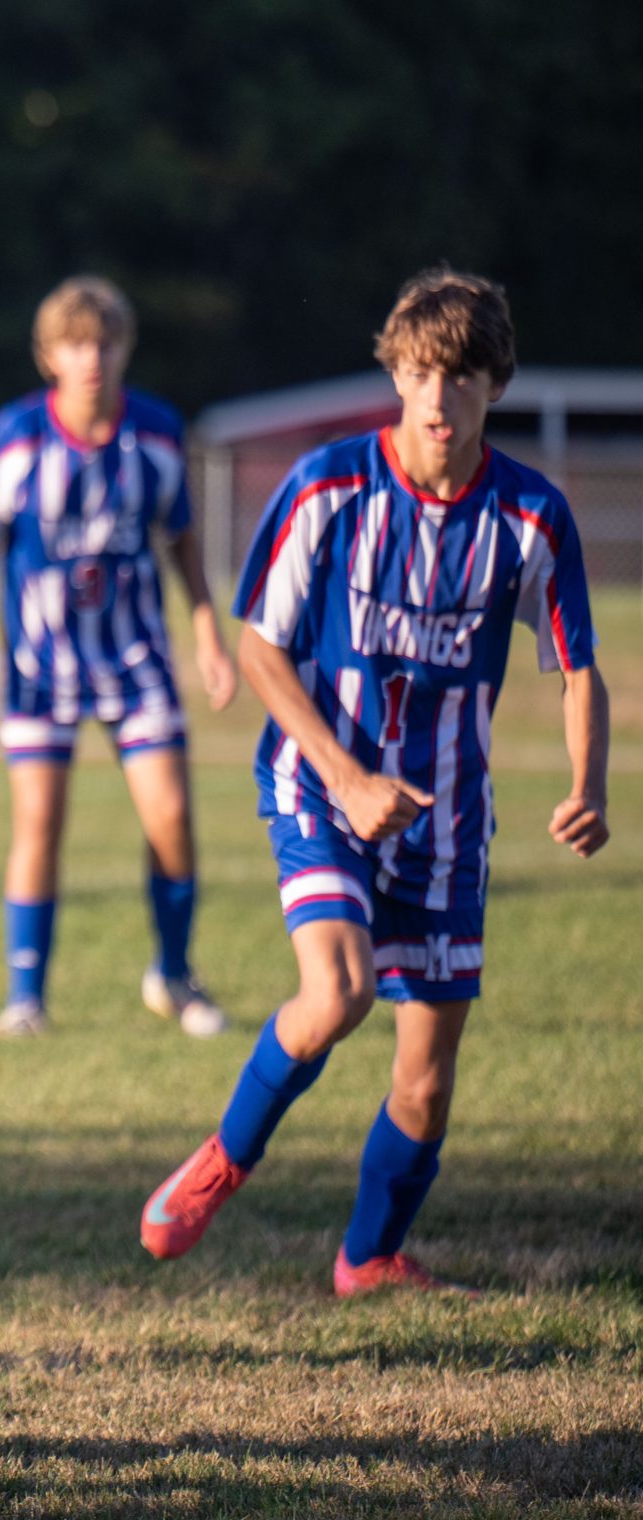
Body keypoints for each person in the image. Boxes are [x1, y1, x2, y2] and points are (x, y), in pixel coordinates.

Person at [139, 268, 609, 1294]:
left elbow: (578, 669)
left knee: (425, 1083)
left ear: (497, 387)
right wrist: (345, 776)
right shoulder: (327, 488)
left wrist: (589, 782)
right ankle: (225, 1157)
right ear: (393, 374)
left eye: (463, 379)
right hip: (320, 784)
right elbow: (261, 651)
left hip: (444, 824)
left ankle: (368, 1256)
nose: (438, 400)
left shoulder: (528, 518)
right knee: (338, 990)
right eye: (420, 374)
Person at [0, 276, 239, 1039]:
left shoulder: (157, 432)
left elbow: (180, 535)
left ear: (124, 350)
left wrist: (208, 631)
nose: (92, 359)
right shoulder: (17, 435)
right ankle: (26, 997)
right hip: (40, 668)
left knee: (171, 815)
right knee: (40, 821)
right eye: (75, 344)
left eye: (105, 343)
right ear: (49, 356)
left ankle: (173, 975)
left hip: (135, 660)